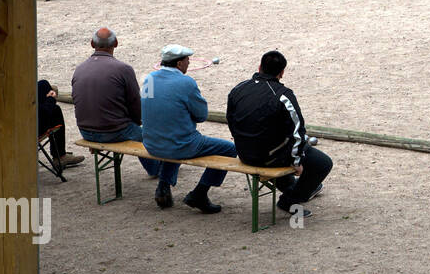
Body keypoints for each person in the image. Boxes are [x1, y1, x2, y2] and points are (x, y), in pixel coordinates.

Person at [226, 50, 333, 217]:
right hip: (268, 156)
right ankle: (290, 200)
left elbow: (231, 120)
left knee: (280, 147)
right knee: (323, 163)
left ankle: (295, 188)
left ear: (260, 67)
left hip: (244, 153)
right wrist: (297, 161)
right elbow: (297, 131)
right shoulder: (283, 96)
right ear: (282, 73)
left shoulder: (238, 89)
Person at [140, 44, 232, 212]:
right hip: (179, 144)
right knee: (229, 149)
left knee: (173, 135)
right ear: (180, 63)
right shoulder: (186, 82)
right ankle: (200, 193)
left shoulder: (149, 78)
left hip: (151, 143)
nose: (189, 63)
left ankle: (163, 186)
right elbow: (202, 115)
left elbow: (146, 110)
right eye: (187, 60)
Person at [0, 49, 83, 169]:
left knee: (43, 85)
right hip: (18, 131)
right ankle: (59, 156)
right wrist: (51, 100)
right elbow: (40, 113)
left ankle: (60, 155)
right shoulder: (7, 89)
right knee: (55, 110)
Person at [71, 27, 158, 177]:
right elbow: (135, 104)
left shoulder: (79, 69)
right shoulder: (123, 69)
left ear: (92, 43)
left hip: (85, 131)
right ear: (116, 43)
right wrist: (138, 122)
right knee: (150, 134)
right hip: (113, 131)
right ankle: (156, 169)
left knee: (135, 130)